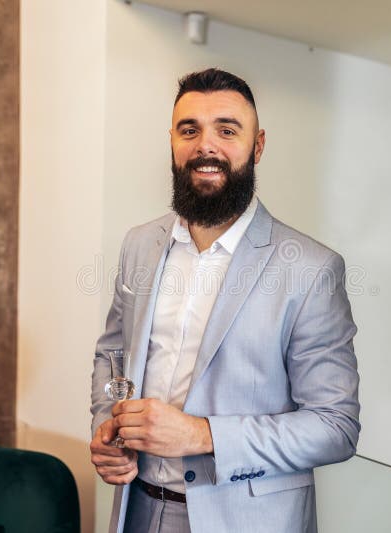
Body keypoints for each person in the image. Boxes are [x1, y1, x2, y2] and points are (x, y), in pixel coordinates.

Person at [90, 68, 360, 533]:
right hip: (134, 510)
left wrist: (202, 434)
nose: (205, 146)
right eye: (189, 130)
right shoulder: (139, 244)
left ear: (257, 147)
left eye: (227, 130)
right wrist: (107, 426)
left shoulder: (312, 269)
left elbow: (335, 426)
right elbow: (111, 354)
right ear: (172, 142)